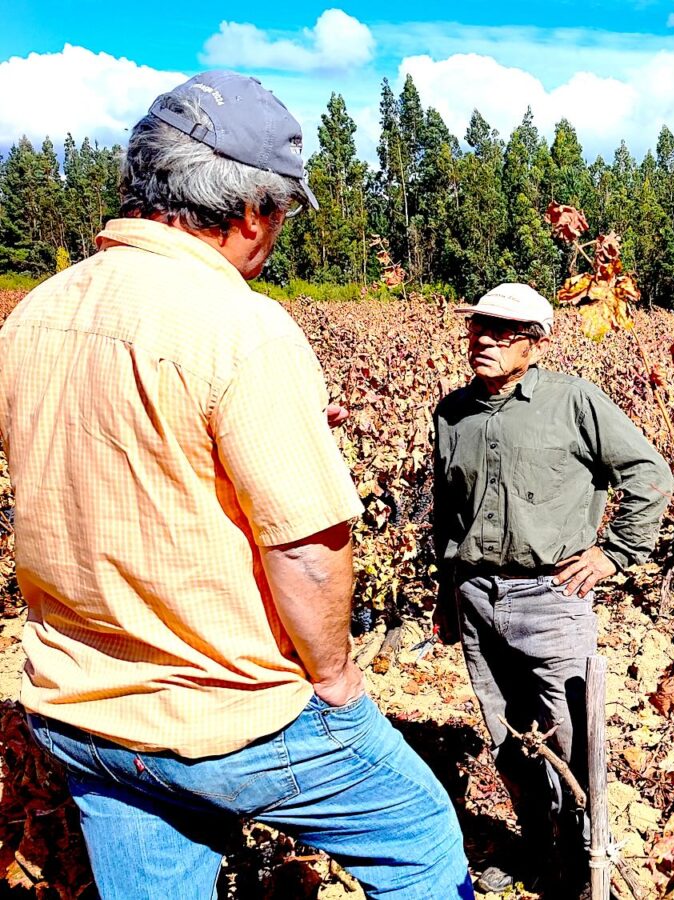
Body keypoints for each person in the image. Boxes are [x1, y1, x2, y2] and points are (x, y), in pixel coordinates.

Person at [0, 71, 471, 899]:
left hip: (80, 711)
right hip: (228, 718)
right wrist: (335, 682)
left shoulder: (36, 313)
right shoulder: (239, 328)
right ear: (251, 211)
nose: (278, 232)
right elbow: (309, 546)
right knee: (417, 831)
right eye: (283, 212)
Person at [432, 283, 674, 895]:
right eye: (479, 327)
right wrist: (446, 592)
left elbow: (650, 475)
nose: (485, 340)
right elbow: (446, 512)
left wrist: (615, 554)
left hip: (551, 599)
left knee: (573, 738)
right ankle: (542, 853)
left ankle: (588, 865)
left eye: (505, 333)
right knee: (510, 740)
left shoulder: (573, 402)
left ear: (535, 345)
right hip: (476, 598)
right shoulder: (452, 413)